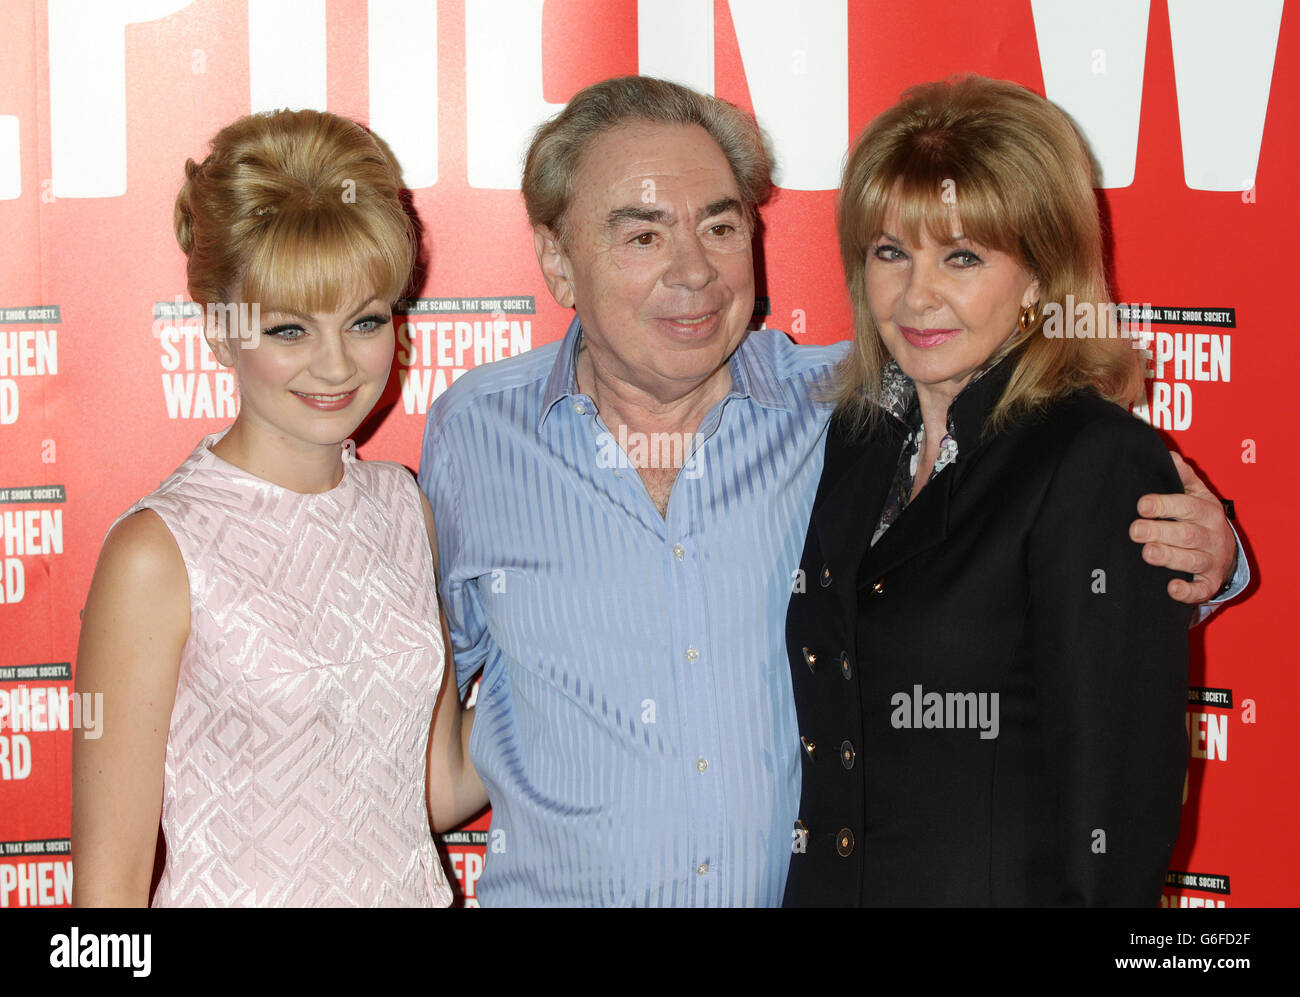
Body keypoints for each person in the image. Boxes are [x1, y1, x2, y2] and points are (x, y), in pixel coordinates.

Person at [418, 75, 1245, 907]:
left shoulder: (837, 412)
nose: (693, 272)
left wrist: (1213, 550)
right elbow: (409, 686)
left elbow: (1073, 602)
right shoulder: (475, 436)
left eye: (720, 224)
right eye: (642, 236)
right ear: (557, 260)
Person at [783, 76, 1197, 906]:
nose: (916, 294)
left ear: (1041, 276)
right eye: (890, 251)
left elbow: (1114, 817)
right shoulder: (861, 438)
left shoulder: (1094, 461)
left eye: (962, 256)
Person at [72, 109, 485, 907]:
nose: (336, 364)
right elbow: (108, 887)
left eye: (364, 320)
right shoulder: (158, 552)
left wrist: (563, 670)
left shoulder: (404, 506)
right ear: (220, 333)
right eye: (290, 328)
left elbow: (433, 787)